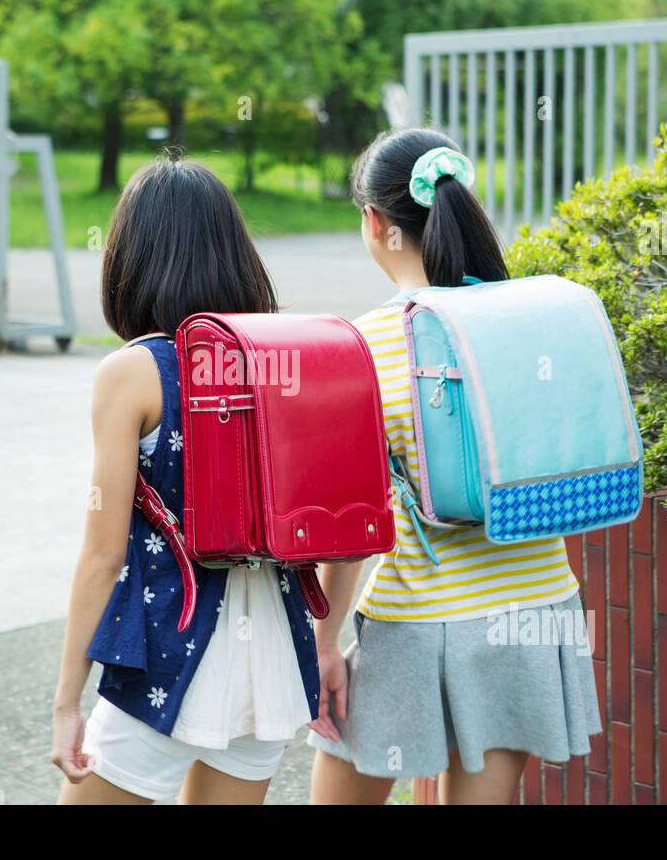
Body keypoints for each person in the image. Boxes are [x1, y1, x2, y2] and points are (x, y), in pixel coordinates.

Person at [307, 128, 603, 804]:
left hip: (419, 618)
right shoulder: (535, 317)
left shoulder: (363, 346)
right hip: (535, 604)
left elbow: (357, 527)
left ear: (375, 224)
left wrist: (324, 644)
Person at [51, 154, 321, 804]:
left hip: (172, 649)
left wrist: (66, 700)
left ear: (130, 258)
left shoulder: (134, 371)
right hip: (275, 654)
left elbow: (102, 554)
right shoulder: (283, 354)